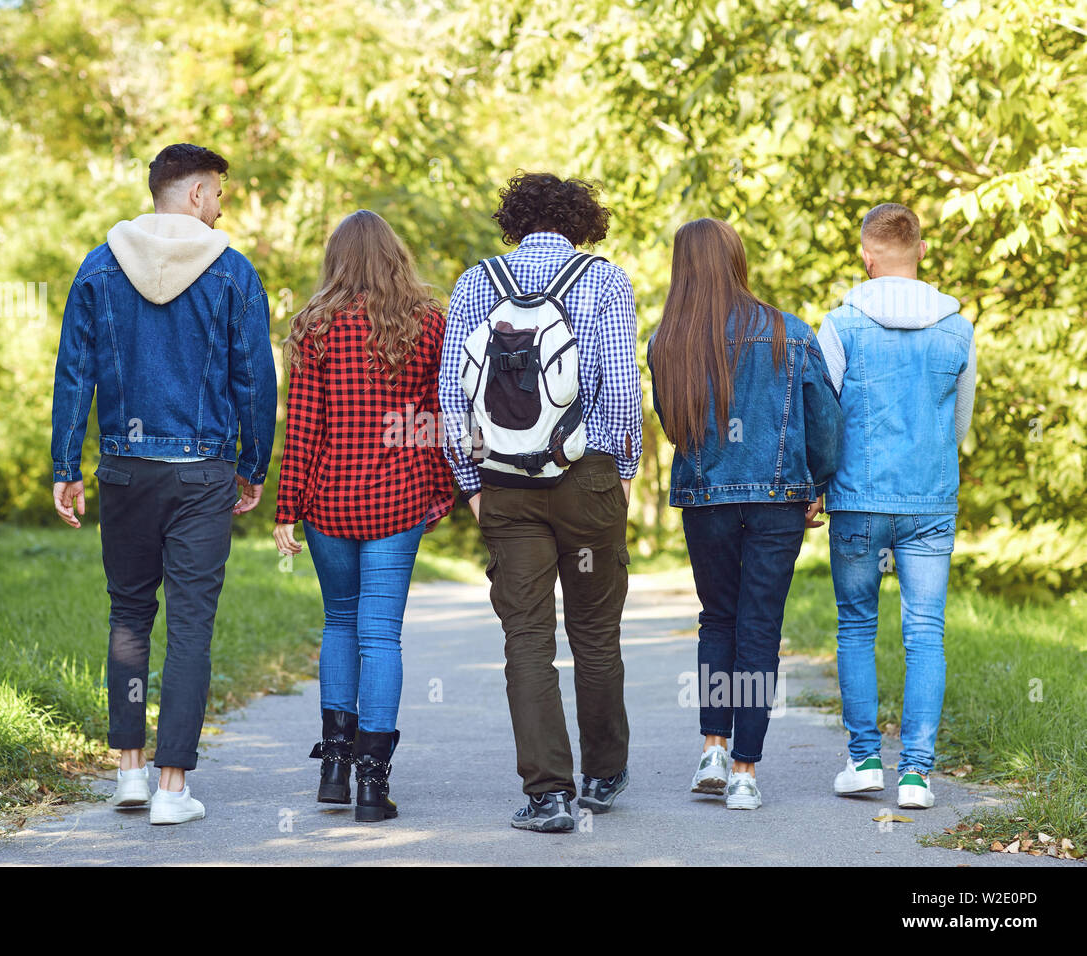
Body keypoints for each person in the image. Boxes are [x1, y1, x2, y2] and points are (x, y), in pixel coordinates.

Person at [50, 143, 276, 825]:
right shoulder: (234, 273)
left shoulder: (98, 266)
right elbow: (255, 382)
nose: (221, 207)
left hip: (124, 467)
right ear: (198, 193)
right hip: (203, 471)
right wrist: (252, 465)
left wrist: (66, 465)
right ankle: (172, 787)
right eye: (220, 194)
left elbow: (73, 372)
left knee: (128, 617)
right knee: (190, 626)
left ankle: (128, 773)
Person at [439, 173, 643, 833]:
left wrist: (470, 483)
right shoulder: (605, 280)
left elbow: (451, 392)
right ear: (582, 221)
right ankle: (604, 776)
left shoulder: (478, 281)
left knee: (527, 637)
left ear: (514, 221)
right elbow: (617, 387)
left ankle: (547, 795)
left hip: (505, 483)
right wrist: (625, 472)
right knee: (595, 632)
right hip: (588, 477)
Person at [648, 217, 842, 811]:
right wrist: (819, 482)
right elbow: (827, 426)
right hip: (778, 501)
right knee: (760, 628)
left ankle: (711, 746)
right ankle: (746, 772)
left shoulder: (667, 343)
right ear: (737, 261)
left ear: (684, 269)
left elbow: (673, 425)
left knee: (718, 620)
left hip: (706, 500)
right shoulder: (791, 334)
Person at [274, 210, 453, 823]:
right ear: (394, 256)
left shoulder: (312, 326)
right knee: (381, 636)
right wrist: (440, 491)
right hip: (397, 498)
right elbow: (438, 418)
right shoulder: (429, 323)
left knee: (338, 625)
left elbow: (302, 428)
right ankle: (373, 786)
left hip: (328, 499)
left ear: (337, 260)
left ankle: (333, 769)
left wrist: (286, 509)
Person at [818, 203, 976, 810]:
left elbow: (824, 422)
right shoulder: (957, 328)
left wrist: (815, 487)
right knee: (925, 632)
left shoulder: (840, 324)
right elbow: (958, 424)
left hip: (858, 503)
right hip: (930, 501)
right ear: (922, 252)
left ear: (866, 255)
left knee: (857, 627)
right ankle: (916, 776)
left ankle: (862, 763)